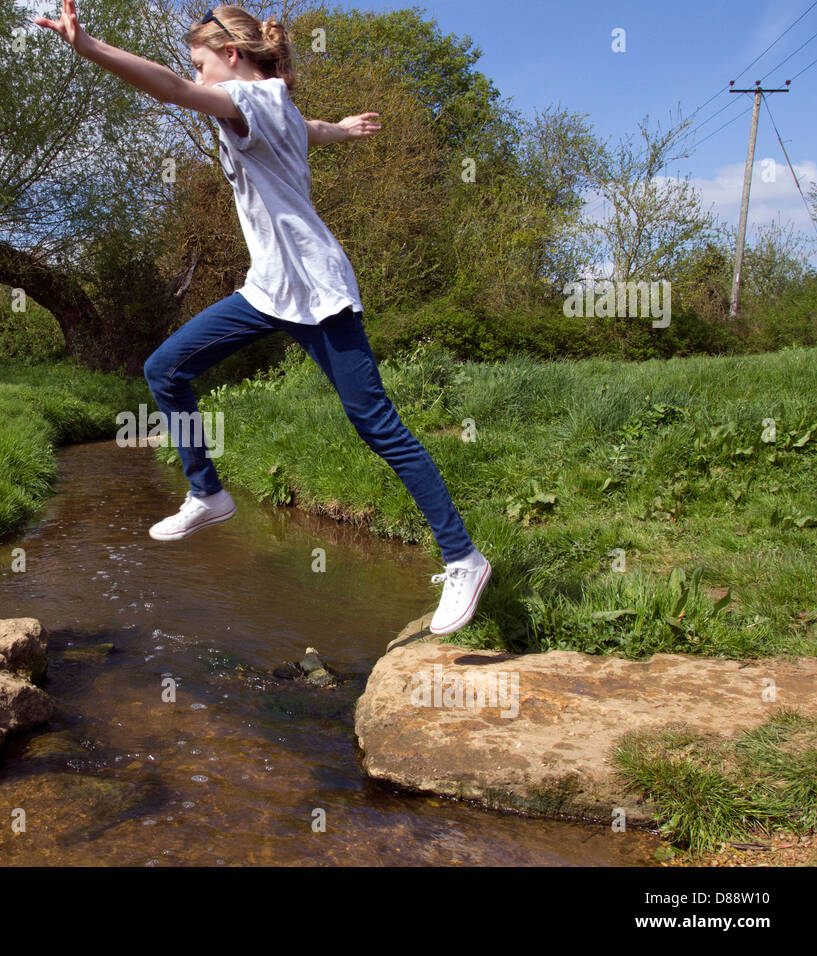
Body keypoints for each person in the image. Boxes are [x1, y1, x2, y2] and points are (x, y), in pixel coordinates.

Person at [35, 3, 490, 634]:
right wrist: (347, 129)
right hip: (270, 289)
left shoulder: (253, 101)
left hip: (317, 289)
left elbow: (167, 89)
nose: (196, 78)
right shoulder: (277, 107)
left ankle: (464, 557)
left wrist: (88, 47)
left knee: (378, 426)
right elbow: (311, 130)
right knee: (165, 369)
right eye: (194, 69)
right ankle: (208, 492)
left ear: (232, 57)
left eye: (201, 65)